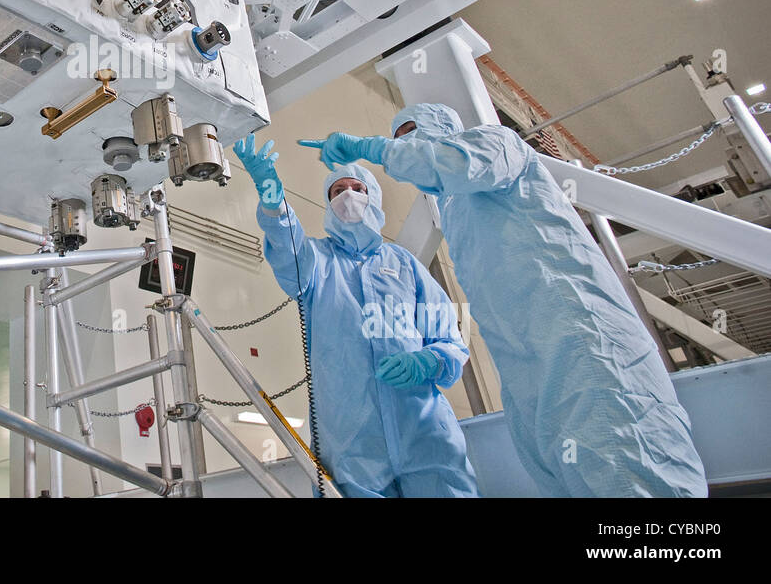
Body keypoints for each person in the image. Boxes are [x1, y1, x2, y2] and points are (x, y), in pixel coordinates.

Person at [299, 103, 707, 497]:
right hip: (520, 360)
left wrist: (369, 148)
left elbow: (448, 162)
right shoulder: (454, 209)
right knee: (561, 468)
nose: (406, 145)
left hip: (581, 336)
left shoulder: (495, 146)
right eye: (399, 138)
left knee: (621, 451)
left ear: (444, 129)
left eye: (412, 134)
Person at [232, 133, 479, 498]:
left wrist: (427, 360)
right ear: (328, 205)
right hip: (350, 435)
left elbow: (449, 337)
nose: (347, 195)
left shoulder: (405, 265)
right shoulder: (317, 262)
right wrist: (272, 194)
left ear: (373, 197)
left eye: (356, 187)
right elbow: (288, 248)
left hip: (423, 426)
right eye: (337, 191)